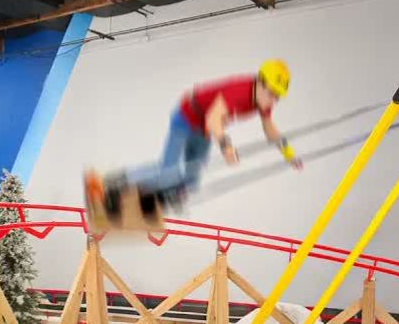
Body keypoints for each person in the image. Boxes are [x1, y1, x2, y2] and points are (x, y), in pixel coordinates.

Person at [87, 59, 303, 219]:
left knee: (192, 178)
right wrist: (226, 147)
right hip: (186, 118)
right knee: (168, 172)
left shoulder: (263, 101)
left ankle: (166, 194)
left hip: (203, 129)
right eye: (271, 93)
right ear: (259, 82)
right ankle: (113, 181)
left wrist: (289, 154)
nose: (273, 100)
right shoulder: (239, 91)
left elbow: (269, 129)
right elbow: (213, 118)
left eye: (277, 97)